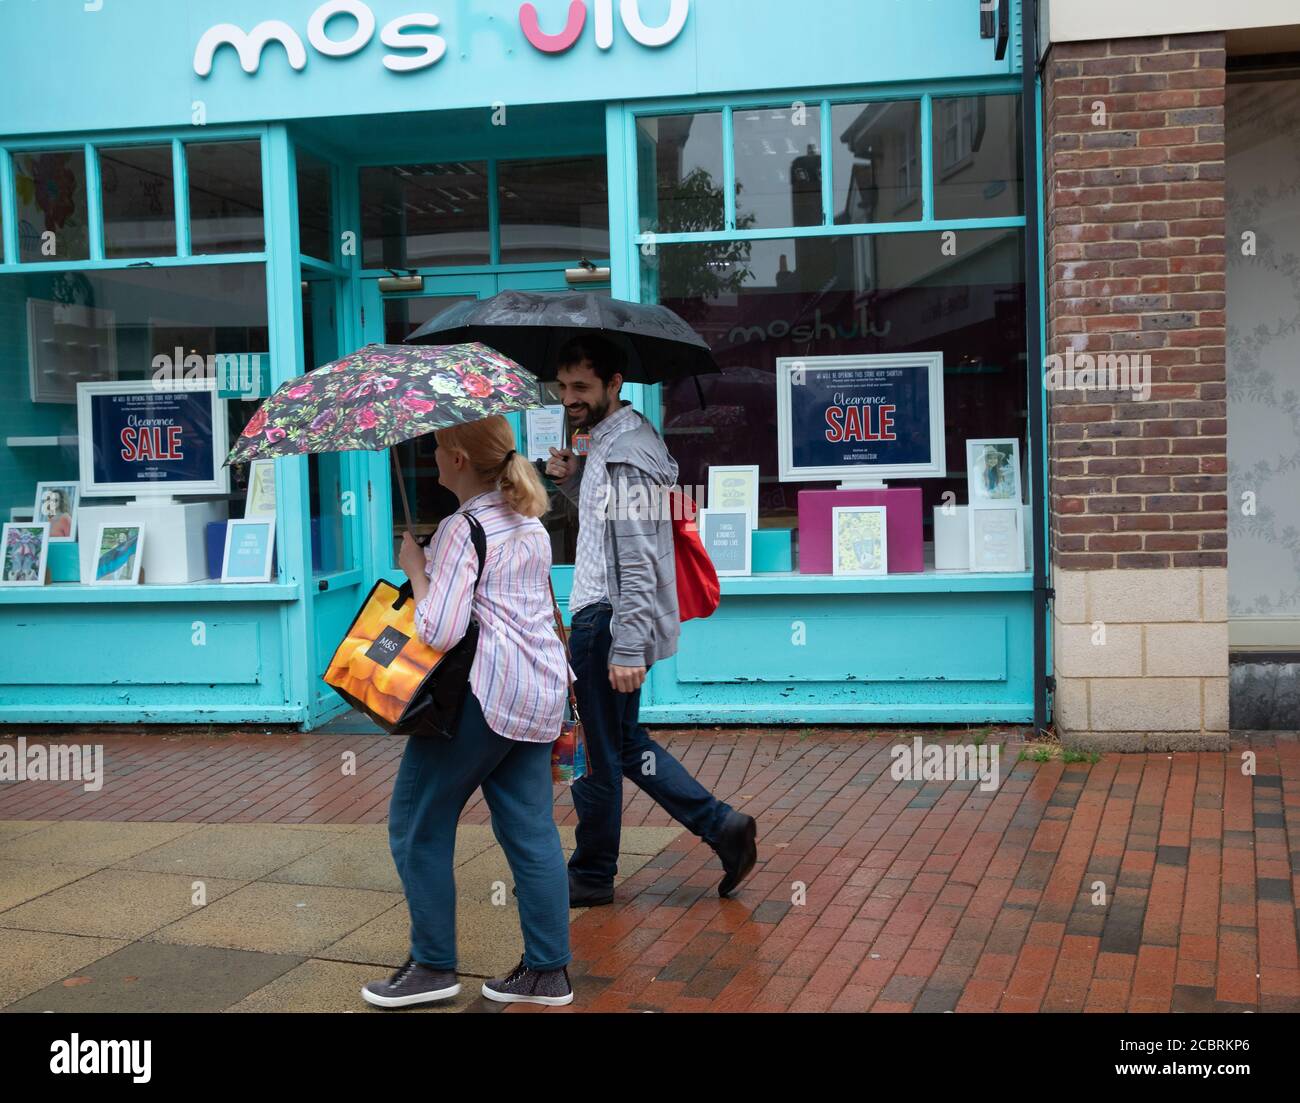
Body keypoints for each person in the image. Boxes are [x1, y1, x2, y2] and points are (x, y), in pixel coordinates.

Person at [363, 415, 575, 1009]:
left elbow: (439, 628)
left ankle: (432, 967)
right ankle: (547, 972)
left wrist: (416, 571)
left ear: (458, 458)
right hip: (537, 693)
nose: (431, 459)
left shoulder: (463, 527)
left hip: (481, 697)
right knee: (531, 831)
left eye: (436, 449)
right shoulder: (528, 519)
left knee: (416, 826)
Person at [545, 336, 758, 906]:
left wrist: (627, 647)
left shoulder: (628, 457)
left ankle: (592, 875)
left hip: (606, 622)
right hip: (604, 614)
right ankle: (722, 826)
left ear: (616, 384)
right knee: (622, 741)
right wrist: (571, 478)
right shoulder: (610, 442)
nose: (569, 398)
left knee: (595, 752)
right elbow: (607, 532)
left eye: (582, 387)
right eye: (563, 387)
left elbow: (638, 560)